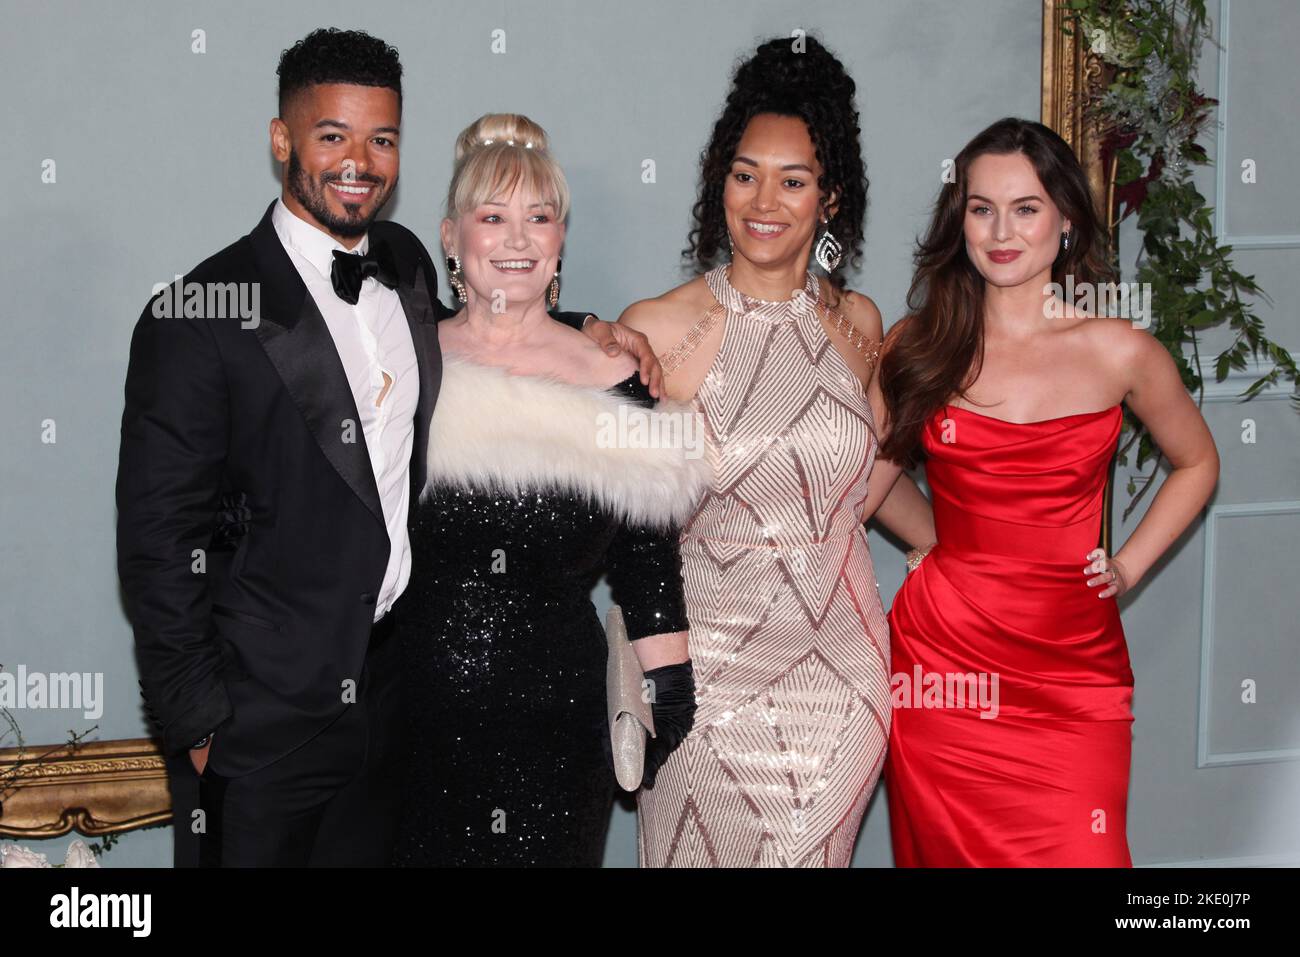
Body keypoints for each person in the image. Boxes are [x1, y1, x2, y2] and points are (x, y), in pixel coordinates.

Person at [115, 30, 657, 867]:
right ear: (281, 139)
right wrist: (198, 727)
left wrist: (591, 328)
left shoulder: (404, 268)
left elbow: (499, 314)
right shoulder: (199, 311)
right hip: (260, 726)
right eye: (332, 135)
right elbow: (157, 541)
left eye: (383, 138)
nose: (358, 161)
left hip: (396, 706)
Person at [622, 36, 935, 867]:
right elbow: (616, 512)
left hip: (842, 678)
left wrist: (947, 545)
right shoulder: (658, 328)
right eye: (744, 173)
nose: (764, 200)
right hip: (700, 677)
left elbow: (853, 489)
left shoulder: (858, 325)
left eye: (793, 180)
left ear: (829, 198)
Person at [879, 117, 1220, 867]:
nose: (1002, 230)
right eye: (981, 208)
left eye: (1025, 208)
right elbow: (867, 483)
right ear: (959, 219)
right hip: (945, 671)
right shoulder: (918, 344)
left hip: (1074, 676)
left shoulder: (1120, 350)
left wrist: (1126, 566)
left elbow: (1198, 462)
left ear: (1065, 219)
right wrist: (936, 541)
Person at [391, 114, 708, 867]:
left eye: (539, 217)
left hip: (558, 729)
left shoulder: (614, 381)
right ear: (450, 237)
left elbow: (645, 563)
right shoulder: (401, 365)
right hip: (410, 714)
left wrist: (669, 685)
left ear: (561, 237)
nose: (517, 238)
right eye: (492, 217)